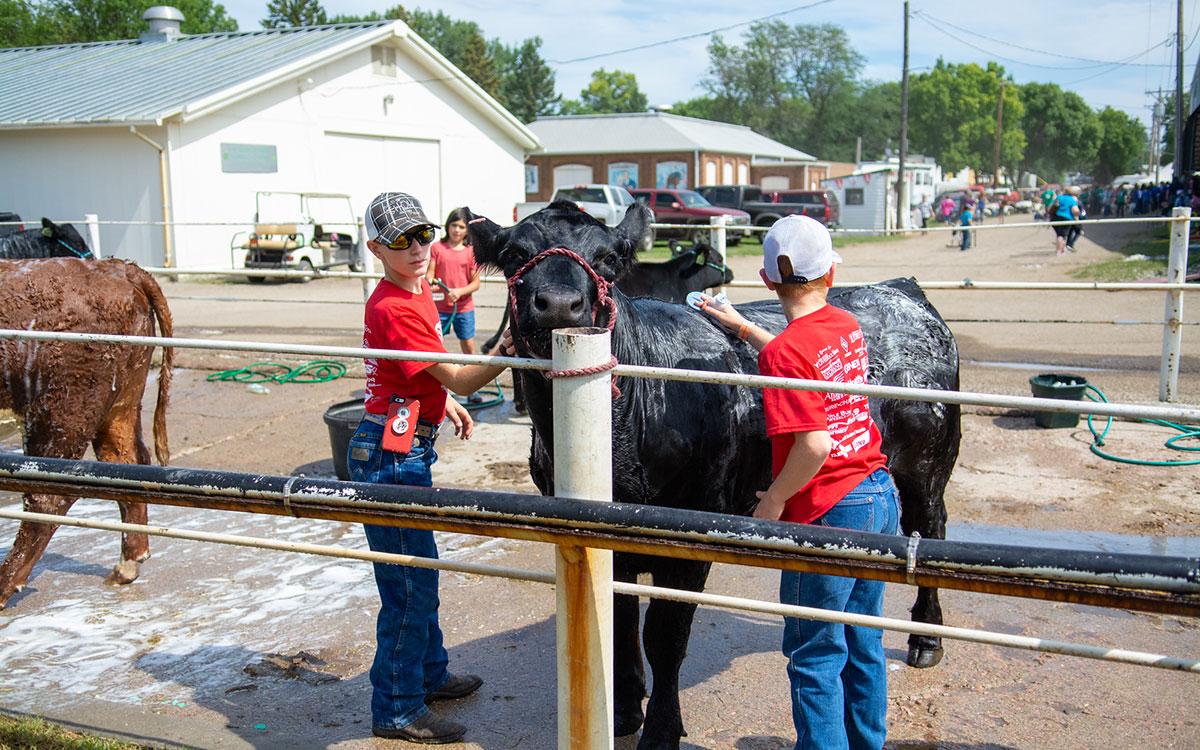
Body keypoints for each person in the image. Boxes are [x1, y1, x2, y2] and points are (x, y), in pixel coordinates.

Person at [698, 215, 900, 750]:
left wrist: (775, 499)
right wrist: (746, 330)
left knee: (814, 654)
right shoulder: (845, 325)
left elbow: (814, 445)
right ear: (831, 272)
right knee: (863, 639)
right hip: (877, 494)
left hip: (828, 508)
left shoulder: (784, 354)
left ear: (767, 281)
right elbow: (803, 361)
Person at [352, 191, 512, 744]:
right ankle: (396, 709)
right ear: (376, 248)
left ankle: (429, 674)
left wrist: (447, 403)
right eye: (401, 241)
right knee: (408, 585)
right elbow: (461, 374)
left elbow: (423, 376)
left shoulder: (416, 288)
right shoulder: (394, 305)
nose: (418, 247)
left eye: (422, 234)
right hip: (389, 455)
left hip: (404, 437)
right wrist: (506, 346)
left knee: (421, 571)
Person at [426, 209, 485, 404]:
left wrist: (459, 291)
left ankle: (472, 387)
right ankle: (439, 386)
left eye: (462, 227)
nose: (457, 230)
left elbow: (475, 283)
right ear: (448, 225)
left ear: (467, 230)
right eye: (454, 225)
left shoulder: (471, 251)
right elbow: (430, 273)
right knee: (435, 346)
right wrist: (431, 281)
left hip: (463, 308)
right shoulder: (437, 248)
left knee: (468, 345)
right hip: (439, 307)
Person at [1051, 186, 1081, 256]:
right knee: (1062, 236)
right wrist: (1077, 218)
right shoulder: (1072, 199)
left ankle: (1062, 250)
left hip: (1055, 218)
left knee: (1059, 235)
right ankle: (1059, 252)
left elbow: (1053, 206)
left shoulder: (1059, 197)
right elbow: (1075, 211)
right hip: (1066, 218)